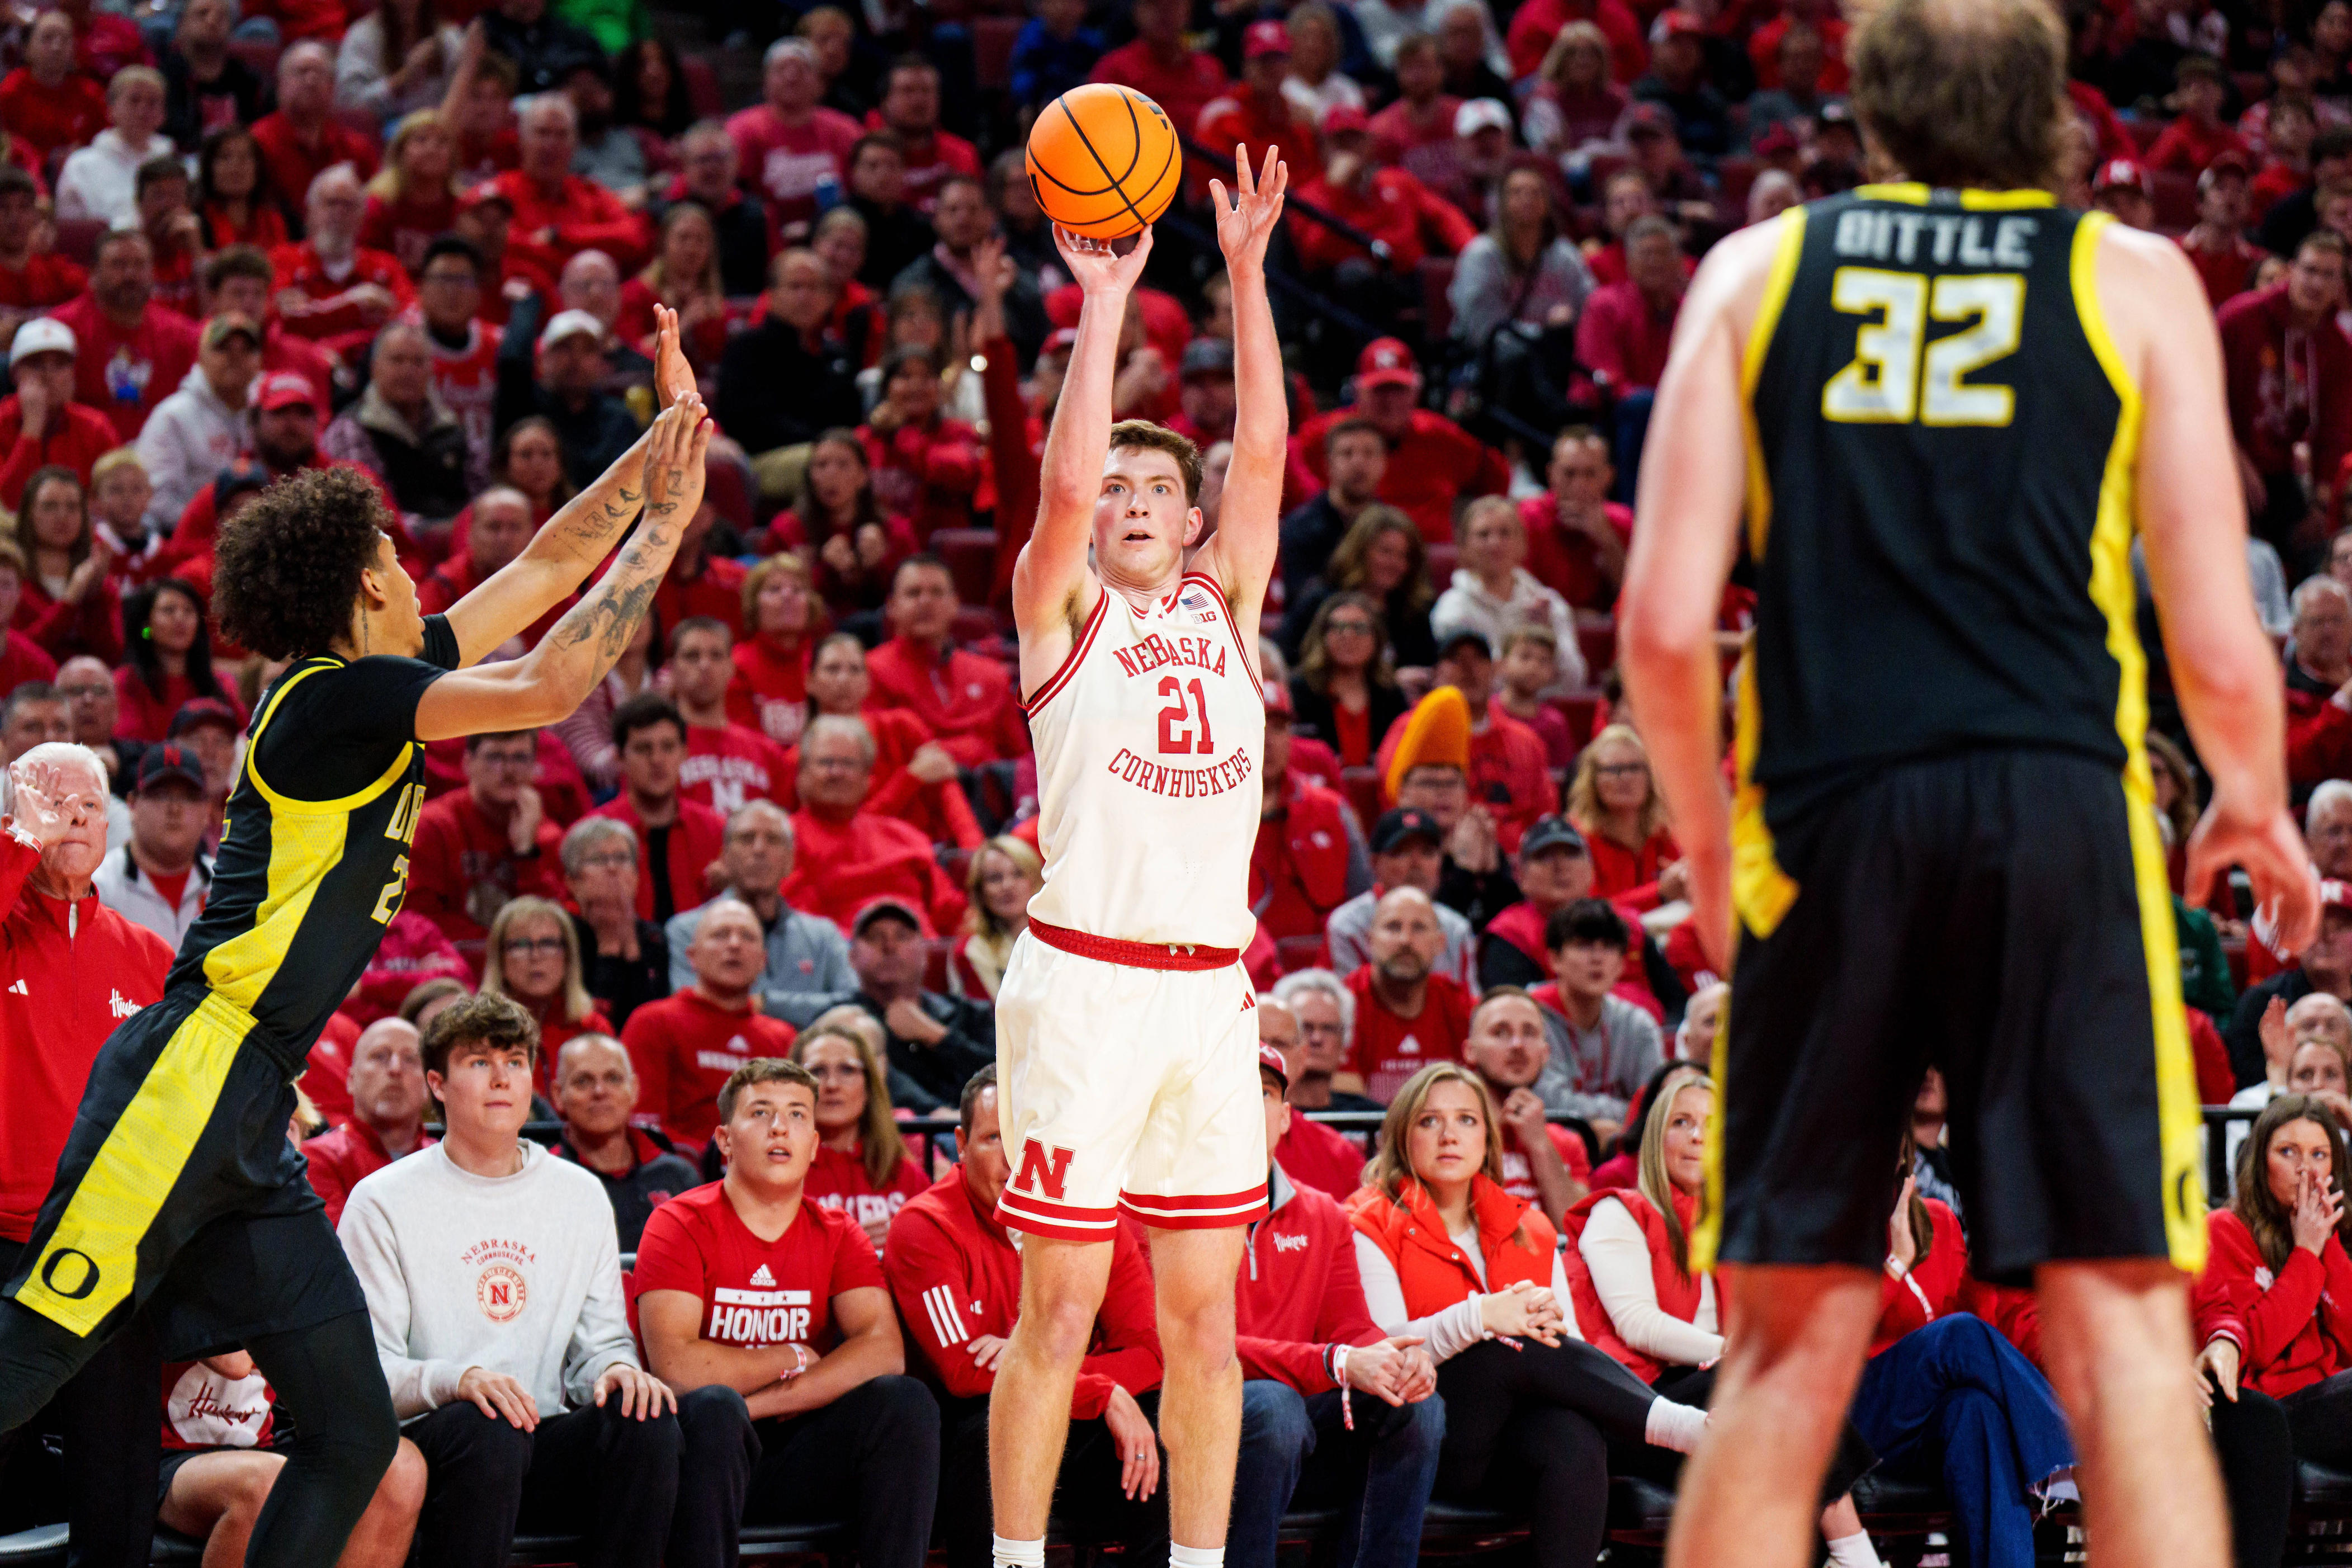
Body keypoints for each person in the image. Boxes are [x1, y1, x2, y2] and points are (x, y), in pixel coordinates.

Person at [1614, 4, 2322, 1566]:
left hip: (1821, 818)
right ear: (2049, 112)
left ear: (1866, 109)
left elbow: (1662, 626)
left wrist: (1700, 842)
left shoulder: (1754, 272)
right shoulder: (2129, 280)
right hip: (2047, 815)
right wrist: (2253, 794)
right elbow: (2216, 634)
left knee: (1785, 1346)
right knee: (2126, 1334)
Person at [0, 315, 709, 1568]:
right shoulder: (336, 698)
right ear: (366, 582)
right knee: (24, 1361)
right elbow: (550, 686)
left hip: (248, 1099)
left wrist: (660, 453)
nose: (422, 572)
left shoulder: (374, 689)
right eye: (399, 552)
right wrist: (668, 526)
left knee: (353, 1433)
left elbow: (541, 571)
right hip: (185, 1075)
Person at [987, 143, 1290, 1568]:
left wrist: (1241, 274)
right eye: (1110, 489)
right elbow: (1053, 498)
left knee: (1202, 1326)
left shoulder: (1224, 603)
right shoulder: (1061, 615)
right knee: (1053, 1310)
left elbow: (1269, 458)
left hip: (1209, 999)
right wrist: (1102, 305)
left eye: (1151, 492)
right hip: (1085, 987)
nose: (1125, 503)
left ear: (1187, 519)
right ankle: (1012, 1556)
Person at [337, 991, 730, 1568]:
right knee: (488, 1424)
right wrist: (459, 1378)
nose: (501, 1079)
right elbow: (368, 1373)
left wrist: (618, 1368)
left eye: (515, 1062)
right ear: (437, 1085)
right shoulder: (381, 1200)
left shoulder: (578, 1191)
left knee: (645, 1416)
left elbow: (599, 1345)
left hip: (542, 1435)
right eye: (479, 1063)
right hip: (436, 1441)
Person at [1346, 1062, 1706, 1568]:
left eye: (1467, 1121)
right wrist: (1483, 1316)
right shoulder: (1367, 1222)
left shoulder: (1528, 1225)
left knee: (1573, 1440)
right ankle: (1679, 1427)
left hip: (1513, 1439)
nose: (1450, 1135)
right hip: (1425, 1430)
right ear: (1401, 1135)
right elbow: (1383, 1345)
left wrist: (1542, 1322)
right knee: (1504, 1344)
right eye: (1429, 1121)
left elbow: (1570, 1343)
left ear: (1488, 1138)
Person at [1561, 1073, 1884, 1568]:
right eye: (1682, 1122)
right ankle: (1854, 1552)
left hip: (1727, 1396)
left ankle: (1844, 1553)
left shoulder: (1742, 1229)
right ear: (1654, 1137)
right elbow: (1638, 1324)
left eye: (1711, 1127)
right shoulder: (1620, 1213)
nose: (1696, 1136)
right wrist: (1734, 1350)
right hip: (1644, 1412)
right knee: (1761, 1377)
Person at [630, 1054, 937, 1566]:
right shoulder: (678, 1223)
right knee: (712, 1410)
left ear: (814, 1145)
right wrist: (789, 1355)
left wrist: (761, 1403)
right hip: (700, 1455)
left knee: (906, 1403)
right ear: (725, 1140)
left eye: (797, 1114)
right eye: (761, 1113)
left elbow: (883, 1351)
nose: (781, 1128)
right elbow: (679, 1371)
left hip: (792, 1447)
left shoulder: (838, 1231)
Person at [883, 1063, 1172, 1568]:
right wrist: (1101, 1389)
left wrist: (1043, 1366)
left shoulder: (1097, 1219)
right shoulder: (924, 1227)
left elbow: (1151, 1353)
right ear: (961, 1143)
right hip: (971, 1434)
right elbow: (965, 1371)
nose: (1016, 1158)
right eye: (996, 1137)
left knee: (1174, 1432)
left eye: (1031, 1138)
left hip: (1076, 1424)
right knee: (1000, 1426)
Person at [0, 745, 174, 1568]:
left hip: (109, 1255)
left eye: (88, 802)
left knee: (117, 1497)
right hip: (2, 1245)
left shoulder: (147, 955)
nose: (70, 812)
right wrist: (17, 847)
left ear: (112, 826)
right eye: (45, 796)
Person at [1228, 1040, 1443, 1568]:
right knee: (1273, 1408)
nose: (1240, 1106)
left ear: (1285, 1118)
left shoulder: (1322, 1213)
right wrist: (1336, 1361)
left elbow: (1350, 1325)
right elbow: (1188, 1345)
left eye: (1260, 1094)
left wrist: (1393, 1356)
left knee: (1413, 1403)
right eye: (1225, 1090)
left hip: (1300, 1410)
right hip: (1205, 1411)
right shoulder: (1157, 1212)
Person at [1850, 1150, 2080, 1568]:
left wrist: (1986, 1269)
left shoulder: (1939, 1219)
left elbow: (1981, 1325)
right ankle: (2073, 1456)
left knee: (1976, 1412)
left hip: (1925, 1418)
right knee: (1958, 1335)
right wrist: (1896, 1264)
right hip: (1855, 1411)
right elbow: (1828, 1337)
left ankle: (2059, 1470)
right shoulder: (1819, 1221)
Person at [2191, 1094, 2352, 1568]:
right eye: (2289, 1152)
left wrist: (2327, 1249)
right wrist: (2306, 1254)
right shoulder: (2223, 1231)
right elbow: (2254, 1347)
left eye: (2319, 1154)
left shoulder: (2327, 1241)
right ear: (2260, 1162)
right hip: (2260, 1412)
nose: (2306, 1169)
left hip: (2323, 1413)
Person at [622, 898, 799, 1151]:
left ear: (763, 961)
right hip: (682, 1179)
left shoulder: (783, 1038)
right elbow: (644, 1126)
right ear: (692, 957)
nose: (735, 945)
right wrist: (718, 1162)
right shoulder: (652, 1022)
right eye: (720, 935)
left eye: (747, 937)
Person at [794, 896, 996, 1114]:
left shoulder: (972, 1014)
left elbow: (1005, 1077)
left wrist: (939, 1037)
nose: (889, 946)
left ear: (925, 954)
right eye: (874, 937)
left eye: (902, 936)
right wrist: (935, 1112)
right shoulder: (836, 1022)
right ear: (852, 957)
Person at [665, 799, 854, 1022]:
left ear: (790, 861)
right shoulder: (688, 930)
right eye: (747, 839)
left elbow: (853, 1007)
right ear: (724, 857)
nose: (759, 849)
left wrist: (767, 1003)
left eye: (773, 840)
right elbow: (694, 1010)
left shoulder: (823, 936)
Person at [776, 715, 967, 935]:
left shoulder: (905, 836)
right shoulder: (782, 839)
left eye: (848, 764)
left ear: (869, 778)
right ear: (801, 775)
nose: (836, 773)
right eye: (826, 762)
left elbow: (950, 911)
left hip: (922, 958)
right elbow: (797, 927)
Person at [405, 730, 567, 966]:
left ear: (535, 766)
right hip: (453, 969)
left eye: (520, 758)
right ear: (467, 763)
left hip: (524, 971)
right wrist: (504, 948)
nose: (508, 770)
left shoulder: (546, 835)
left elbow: (552, 929)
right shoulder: (433, 826)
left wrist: (526, 853)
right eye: (495, 757)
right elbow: (417, 921)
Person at [51, 229, 202, 445]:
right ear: (93, 273)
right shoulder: (61, 330)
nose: (130, 274)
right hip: (84, 457)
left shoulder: (183, 336)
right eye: (118, 265)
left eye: (140, 265)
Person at [550, 1032, 700, 1249]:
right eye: (583, 1081)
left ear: (635, 1089)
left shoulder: (679, 1178)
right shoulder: (542, 1178)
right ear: (557, 1095)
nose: (600, 1091)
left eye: (613, 1079)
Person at [320, 324, 471, 537]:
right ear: (374, 368)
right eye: (397, 360)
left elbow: (478, 492)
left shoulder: (452, 426)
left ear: (432, 370)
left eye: (418, 362)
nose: (408, 371)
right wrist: (429, 532)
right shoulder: (351, 429)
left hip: (459, 547)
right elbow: (362, 513)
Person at [589, 695, 729, 927]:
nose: (657, 760)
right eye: (643, 749)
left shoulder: (717, 830)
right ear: (619, 759)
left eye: (668, 747)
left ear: (685, 754)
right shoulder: (594, 834)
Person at [1532, 900, 1665, 1136]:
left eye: (1609, 946)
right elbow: (1547, 1103)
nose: (1597, 958)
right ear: (1555, 959)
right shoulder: (1529, 1017)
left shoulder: (1638, 1024)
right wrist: (1623, 1113)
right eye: (1583, 945)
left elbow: (1657, 1108)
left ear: (1622, 964)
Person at [1463, 988, 1590, 1227]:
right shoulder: (1449, 1137)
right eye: (1500, 1032)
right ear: (1470, 1051)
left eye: (1530, 1033)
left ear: (1545, 1054)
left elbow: (1574, 1232)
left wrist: (1540, 1145)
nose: (1518, 1045)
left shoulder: (1567, 1142)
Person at [1252, 681, 1367, 943]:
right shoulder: (1208, 816)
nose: (1267, 741)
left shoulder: (1332, 810)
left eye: (1279, 728)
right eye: (1256, 726)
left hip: (1324, 972)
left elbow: (1363, 906)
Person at [795, 1022, 928, 1248]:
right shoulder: (776, 1174)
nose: (832, 1085)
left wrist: (904, 1242)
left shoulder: (905, 1174)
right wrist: (845, 1246)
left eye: (847, 1070)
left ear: (869, 1085)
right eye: (817, 1071)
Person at [1432, 500, 1588, 692]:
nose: (1495, 543)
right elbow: (1465, 682)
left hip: (1542, 714)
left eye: (1505, 533)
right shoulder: (1453, 609)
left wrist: (1547, 634)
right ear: (1464, 547)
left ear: (1523, 543)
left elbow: (1575, 680)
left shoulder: (1548, 602)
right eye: (1483, 534)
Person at [1345, 886, 1475, 1104]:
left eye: (1419, 928)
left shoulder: (1460, 1005)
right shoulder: (1344, 1006)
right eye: (1393, 927)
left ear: (1440, 944)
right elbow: (1348, 1108)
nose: (1406, 940)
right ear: (1369, 941)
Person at [1326, 808, 1477, 989]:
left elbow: (1469, 1006)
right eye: (1400, 852)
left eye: (1427, 853)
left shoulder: (1456, 929)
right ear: (1374, 863)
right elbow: (1346, 1003)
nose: (1416, 864)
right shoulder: (1347, 926)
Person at [303, 1018, 433, 1226]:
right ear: (351, 1079)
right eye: (380, 1056)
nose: (396, 1068)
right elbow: (342, 1252)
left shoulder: (450, 1160)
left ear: (430, 1085)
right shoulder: (314, 1159)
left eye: (411, 1059)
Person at [478, 896, 616, 1077]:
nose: (536, 956)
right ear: (500, 960)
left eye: (548, 943)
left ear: (568, 958)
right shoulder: (479, 1032)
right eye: (521, 944)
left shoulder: (593, 1029)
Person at [93, 742, 212, 947]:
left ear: (206, 811)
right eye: (161, 795)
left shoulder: (225, 885)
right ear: (132, 805)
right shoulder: (99, 890)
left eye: (188, 797)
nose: (175, 809)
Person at [667, 619, 790, 815]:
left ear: (731, 667)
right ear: (671, 668)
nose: (705, 665)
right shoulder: (658, 750)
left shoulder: (768, 754)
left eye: (716, 656)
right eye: (692, 656)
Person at [0, 320, 119, 512]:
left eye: (59, 365)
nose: (48, 376)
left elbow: (116, 501)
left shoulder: (95, 427)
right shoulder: (2, 421)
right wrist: (31, 429)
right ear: (15, 374)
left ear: (73, 372)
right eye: (36, 365)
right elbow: (9, 505)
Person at [1278, 421, 1388, 606]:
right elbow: (1300, 597)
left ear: (1383, 464)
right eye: (1347, 453)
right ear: (1329, 464)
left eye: (1369, 454)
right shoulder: (1299, 527)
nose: (1358, 463)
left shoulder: (1395, 528)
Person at [950, 835, 1041, 1000]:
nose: (1007, 885)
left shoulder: (1063, 938)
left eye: (1018, 874)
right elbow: (991, 1019)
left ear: (1037, 880)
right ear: (980, 892)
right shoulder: (971, 951)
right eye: (995, 878)